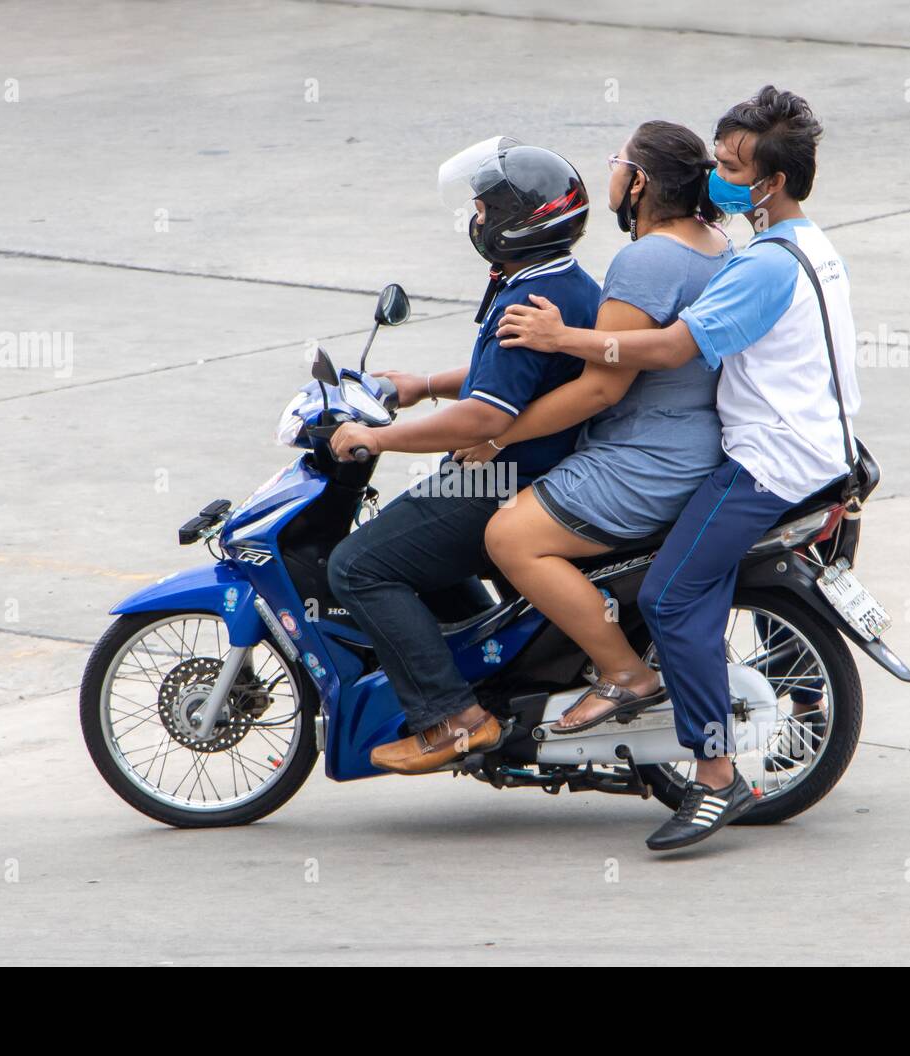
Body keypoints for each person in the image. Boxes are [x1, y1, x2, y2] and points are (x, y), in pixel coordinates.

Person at [496, 87, 860, 852]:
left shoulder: (765, 266)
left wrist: (562, 338)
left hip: (769, 463)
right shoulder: (811, 247)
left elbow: (665, 350)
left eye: (731, 166)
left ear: (772, 184)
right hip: (818, 447)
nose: (716, 178)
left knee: (672, 591)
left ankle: (716, 774)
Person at [326, 138, 601, 775]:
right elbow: (500, 376)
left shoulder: (523, 303)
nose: (475, 222)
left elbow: (489, 415)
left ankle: (452, 719)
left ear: (515, 223)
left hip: (504, 478)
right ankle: (486, 684)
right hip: (532, 468)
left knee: (358, 566)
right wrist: (422, 385)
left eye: (483, 211)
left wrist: (381, 437)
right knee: (412, 551)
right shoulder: (559, 282)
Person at [455, 120, 732, 733]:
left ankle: (624, 671)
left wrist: (496, 436)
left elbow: (600, 384)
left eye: (617, 161)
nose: (608, 171)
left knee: (510, 537)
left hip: (645, 456)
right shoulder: (713, 242)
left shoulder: (648, 259)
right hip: (693, 443)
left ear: (638, 184)